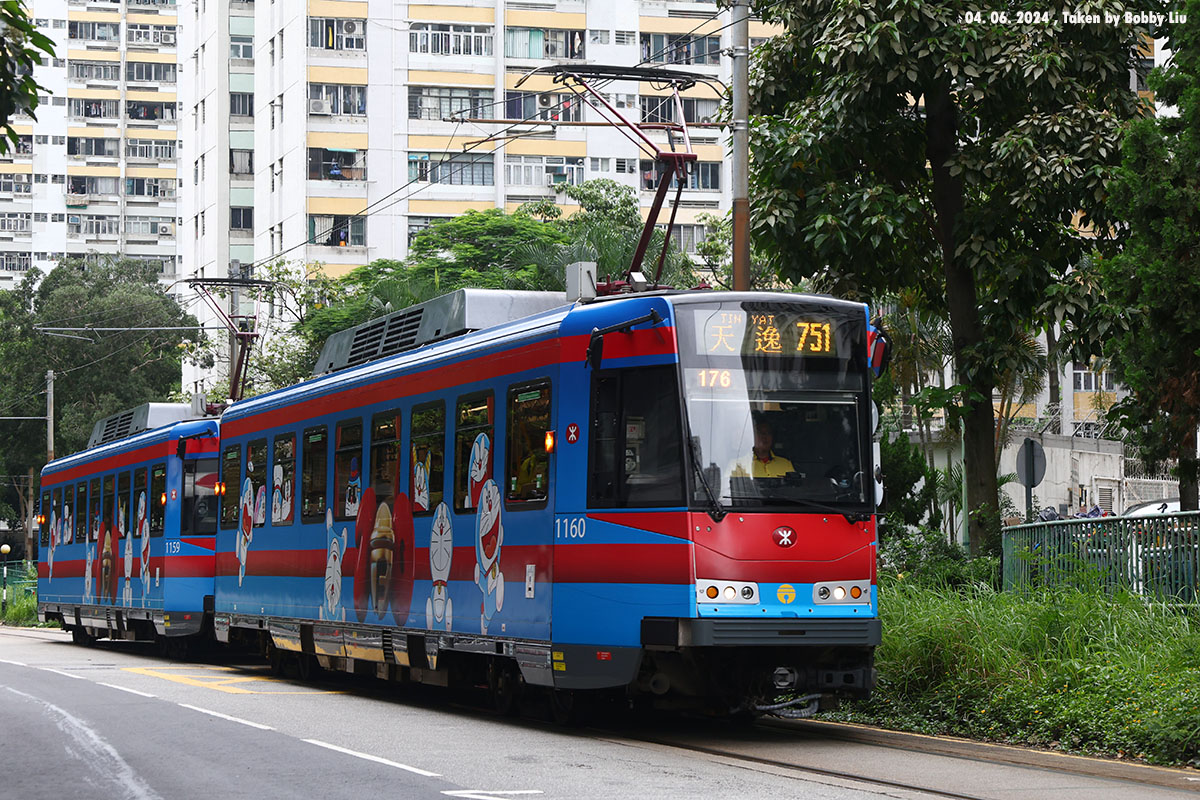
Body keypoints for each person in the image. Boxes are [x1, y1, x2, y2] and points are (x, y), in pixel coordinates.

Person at [730, 420, 794, 479]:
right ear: (752, 436)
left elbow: (794, 489)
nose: (764, 437)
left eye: (768, 433)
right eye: (760, 433)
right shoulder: (736, 465)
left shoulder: (786, 464)